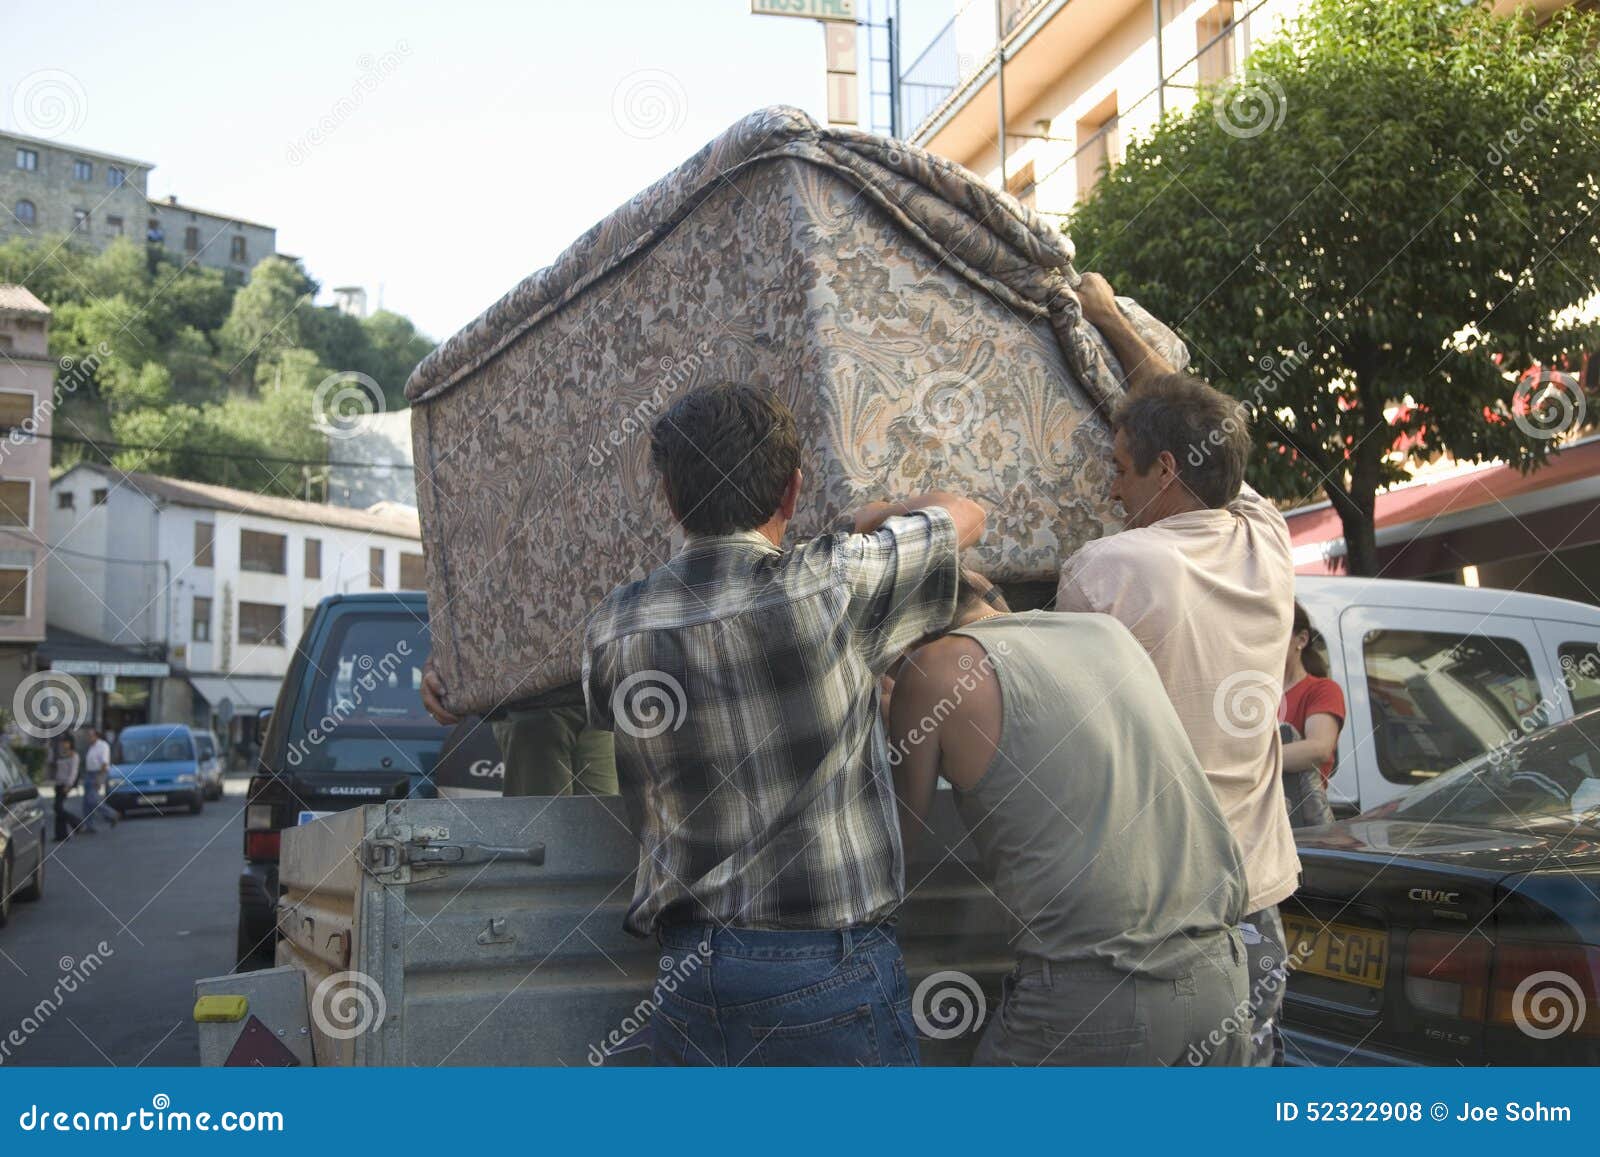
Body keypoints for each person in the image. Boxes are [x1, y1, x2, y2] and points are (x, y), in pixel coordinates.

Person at [583, 382, 983, 1066]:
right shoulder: (835, 582)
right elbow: (964, 514)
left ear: (670, 499)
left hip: (690, 974)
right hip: (827, 972)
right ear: (792, 493)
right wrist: (875, 514)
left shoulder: (615, 623)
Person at [1055, 273, 1297, 1066]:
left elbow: (1058, 741)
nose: (1108, 485)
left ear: (1163, 470)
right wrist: (1109, 318)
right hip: (1258, 911)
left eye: (1121, 466)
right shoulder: (1266, 539)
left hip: (1154, 927)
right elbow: (1203, 425)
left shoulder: (1106, 568)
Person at [890, 571, 1250, 1065]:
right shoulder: (1107, 633)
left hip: (1094, 999)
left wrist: (891, 716)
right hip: (1221, 980)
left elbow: (890, 850)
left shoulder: (934, 668)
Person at [1280, 601, 1345, 829]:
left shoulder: (1322, 690)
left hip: (1297, 825)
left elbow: (1319, 748)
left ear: (1302, 639)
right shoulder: (1254, 692)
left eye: (1276, 632)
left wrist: (1249, 761)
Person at [81, 727, 116, 833]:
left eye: (90, 735)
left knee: (92, 800)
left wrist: (99, 779)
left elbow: (104, 764)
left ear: (96, 736)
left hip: (98, 773)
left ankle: (112, 814)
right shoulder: (91, 747)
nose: (88, 738)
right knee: (86, 802)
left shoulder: (103, 746)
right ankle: (89, 826)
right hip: (89, 774)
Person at [51, 735, 80, 842]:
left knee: (57, 807)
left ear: (71, 743)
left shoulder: (74, 755)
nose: (64, 744)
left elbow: (73, 772)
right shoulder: (61, 754)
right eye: (63, 742)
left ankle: (77, 823)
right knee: (59, 810)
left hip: (65, 785)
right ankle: (61, 835)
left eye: (66, 742)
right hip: (58, 784)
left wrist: (69, 785)